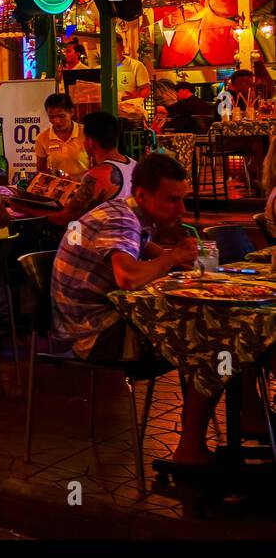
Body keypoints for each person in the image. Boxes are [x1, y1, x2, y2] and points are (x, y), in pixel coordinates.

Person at [50, 154, 245, 466]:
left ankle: (248, 417)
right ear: (141, 195)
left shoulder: (128, 215)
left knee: (227, 329)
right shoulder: (120, 220)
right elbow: (128, 277)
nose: (180, 209)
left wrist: (177, 257)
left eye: (183, 200)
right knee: (213, 340)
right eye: (172, 200)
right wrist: (174, 256)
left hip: (98, 324)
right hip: (93, 335)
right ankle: (190, 449)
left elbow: (155, 256)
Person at [24, 111, 134, 227]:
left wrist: (24, 208)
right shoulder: (134, 165)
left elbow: (65, 218)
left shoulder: (98, 176)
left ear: (90, 142)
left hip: (106, 241)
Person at [35, 92, 88, 177]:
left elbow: (98, 164)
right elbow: (41, 169)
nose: (57, 121)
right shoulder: (42, 138)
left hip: (84, 187)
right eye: (52, 117)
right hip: (58, 188)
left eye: (61, 116)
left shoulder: (86, 133)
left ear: (71, 112)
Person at [116, 37, 151, 123]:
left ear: (122, 49)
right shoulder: (100, 68)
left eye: (114, 49)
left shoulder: (136, 66)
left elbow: (146, 90)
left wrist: (133, 96)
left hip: (130, 117)